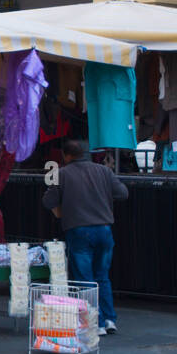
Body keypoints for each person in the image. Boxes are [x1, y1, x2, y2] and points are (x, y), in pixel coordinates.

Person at [41, 138, 128, 335]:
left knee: (84, 279)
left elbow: (48, 201)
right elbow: (123, 193)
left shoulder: (61, 174)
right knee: (102, 277)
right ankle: (109, 319)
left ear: (66, 156)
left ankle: (94, 323)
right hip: (105, 229)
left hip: (79, 230)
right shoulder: (103, 171)